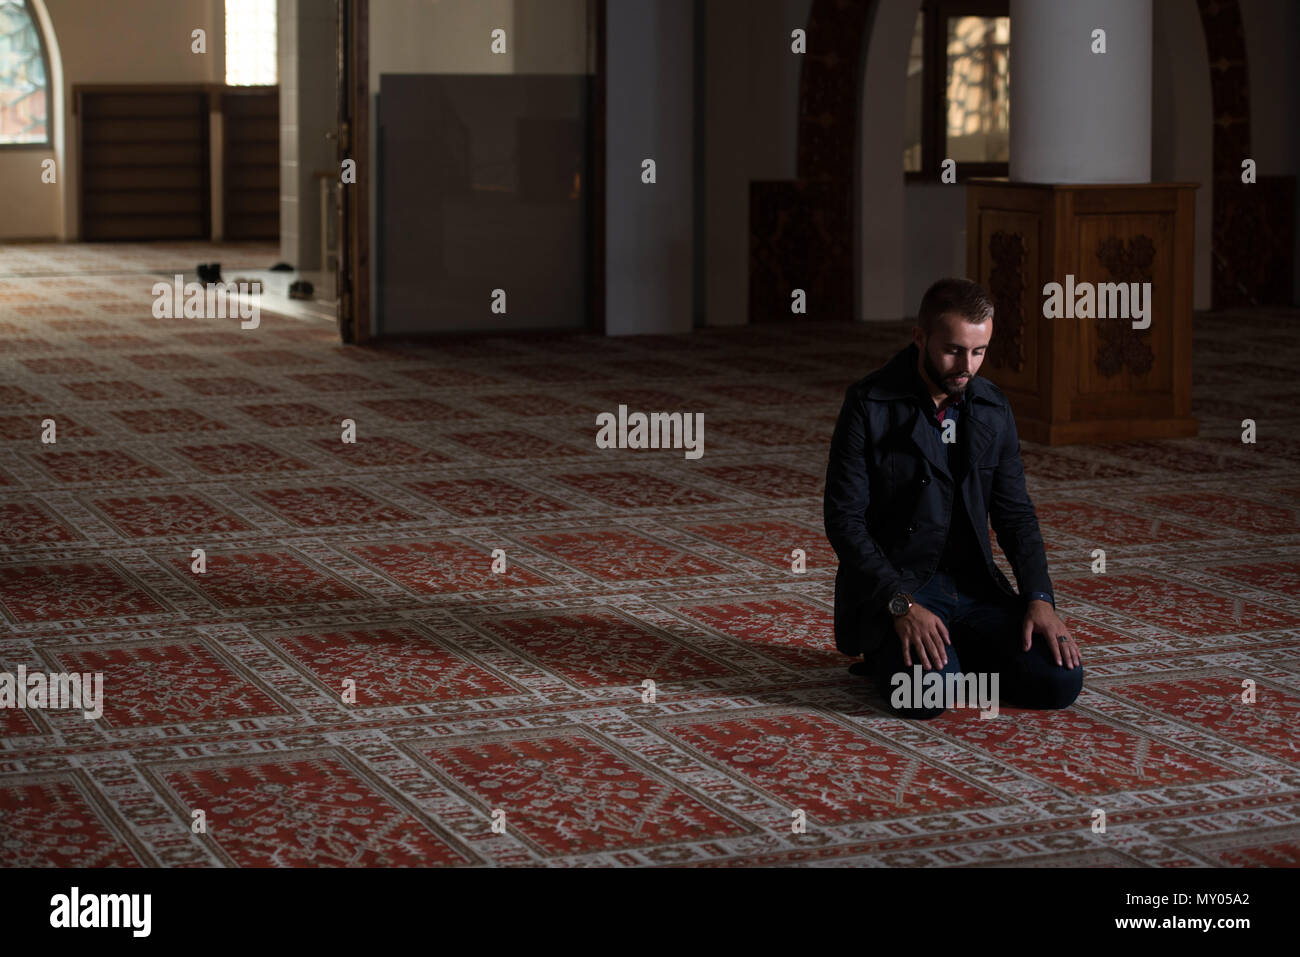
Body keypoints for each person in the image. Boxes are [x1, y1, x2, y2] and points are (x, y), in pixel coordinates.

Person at [823, 278, 1083, 719]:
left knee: (1060, 682)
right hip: (902, 585)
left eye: (979, 351)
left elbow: (1015, 514)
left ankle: (954, 656)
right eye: (954, 350)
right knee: (924, 698)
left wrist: (1040, 599)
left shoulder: (993, 408)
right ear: (920, 337)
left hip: (976, 588)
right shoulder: (869, 403)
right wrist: (899, 603)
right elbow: (844, 520)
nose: (967, 365)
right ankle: (905, 655)